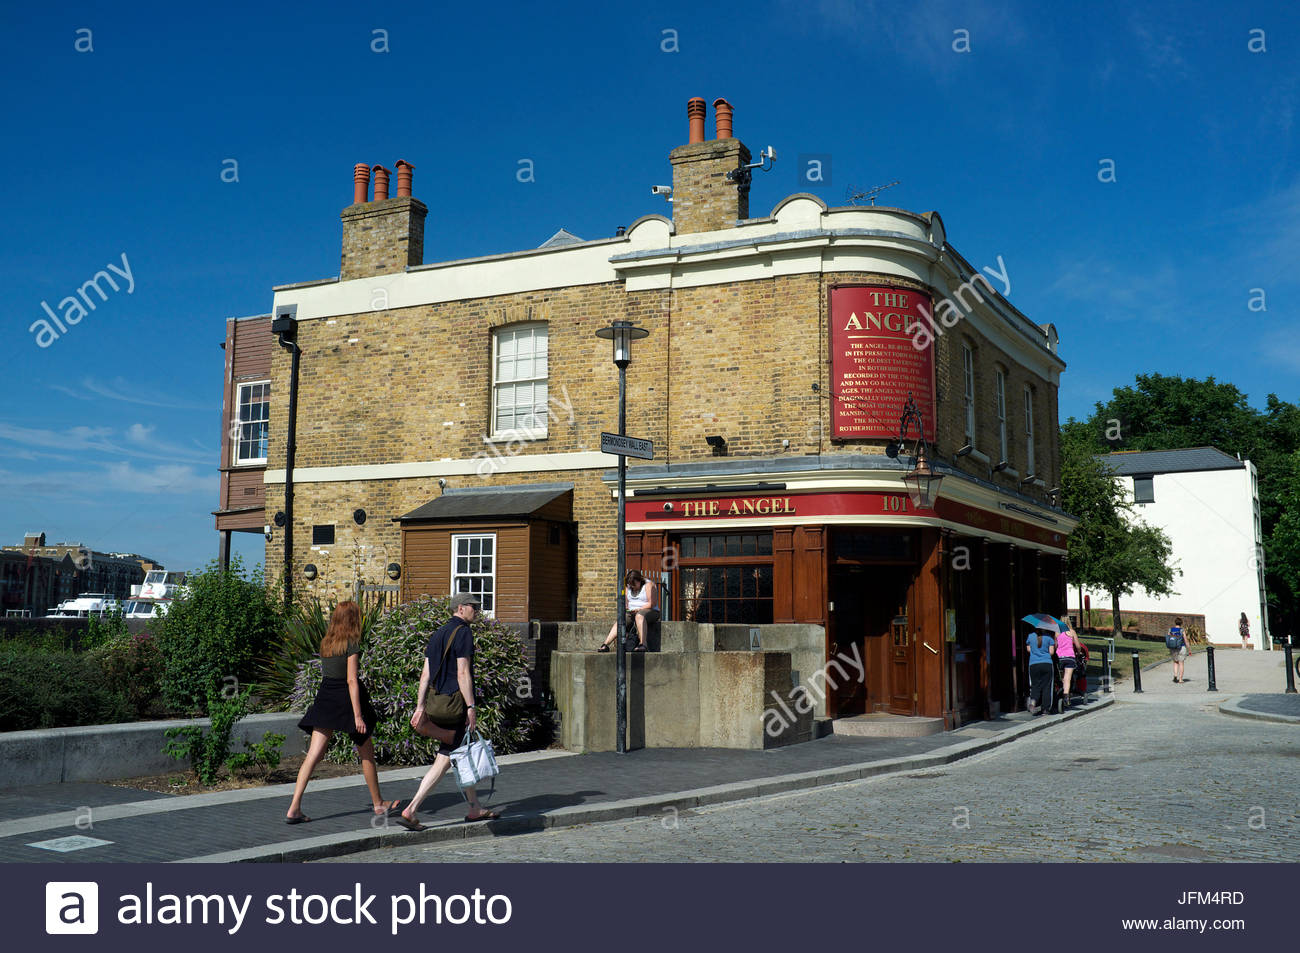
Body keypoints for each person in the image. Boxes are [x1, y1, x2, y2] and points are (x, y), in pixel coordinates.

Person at [285, 600, 402, 824]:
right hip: (346, 701)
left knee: (313, 755)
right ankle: (378, 804)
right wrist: (357, 715)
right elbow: (351, 680)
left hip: (326, 697)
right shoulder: (352, 644)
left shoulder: (326, 643)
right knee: (366, 750)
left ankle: (294, 807)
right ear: (353, 619)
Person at [395, 593, 500, 830]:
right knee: (446, 757)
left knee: (456, 751)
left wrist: (420, 706)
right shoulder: (463, 632)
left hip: (436, 705)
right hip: (455, 706)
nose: (477, 610)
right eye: (474, 606)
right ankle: (411, 809)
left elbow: (425, 675)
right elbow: (463, 673)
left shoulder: (437, 633)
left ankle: (474, 808)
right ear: (460, 608)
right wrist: (471, 706)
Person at [597, 569, 657, 653]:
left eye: (634, 585)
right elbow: (627, 602)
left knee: (639, 616)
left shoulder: (648, 585)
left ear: (639, 580)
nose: (632, 587)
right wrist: (627, 608)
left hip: (649, 611)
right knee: (621, 619)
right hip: (632, 612)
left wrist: (639, 609)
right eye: (630, 585)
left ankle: (643, 644)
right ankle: (605, 645)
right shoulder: (628, 586)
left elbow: (652, 604)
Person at [1025, 626, 1057, 715]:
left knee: (1035, 685)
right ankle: (1045, 709)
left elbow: (1028, 649)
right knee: (1047, 686)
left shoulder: (1030, 636)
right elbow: (1051, 652)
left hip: (1033, 664)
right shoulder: (1049, 638)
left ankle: (1033, 703)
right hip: (1046, 663)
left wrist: (1036, 652)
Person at [1056, 618, 1081, 707]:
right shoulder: (1072, 632)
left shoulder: (1057, 632)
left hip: (1060, 657)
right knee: (1068, 678)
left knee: (1063, 677)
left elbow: (1055, 645)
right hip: (1070, 656)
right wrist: (1078, 652)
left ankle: (1061, 693)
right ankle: (1066, 696)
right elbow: (1078, 646)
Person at [1167, 616, 1188, 683]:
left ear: (1175, 623)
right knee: (1181, 663)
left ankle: (1175, 676)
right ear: (1181, 623)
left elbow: (1168, 638)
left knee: (1175, 662)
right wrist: (1189, 649)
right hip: (1181, 647)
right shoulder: (1182, 630)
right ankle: (1180, 679)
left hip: (1173, 648)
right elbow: (1186, 640)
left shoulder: (1170, 630)